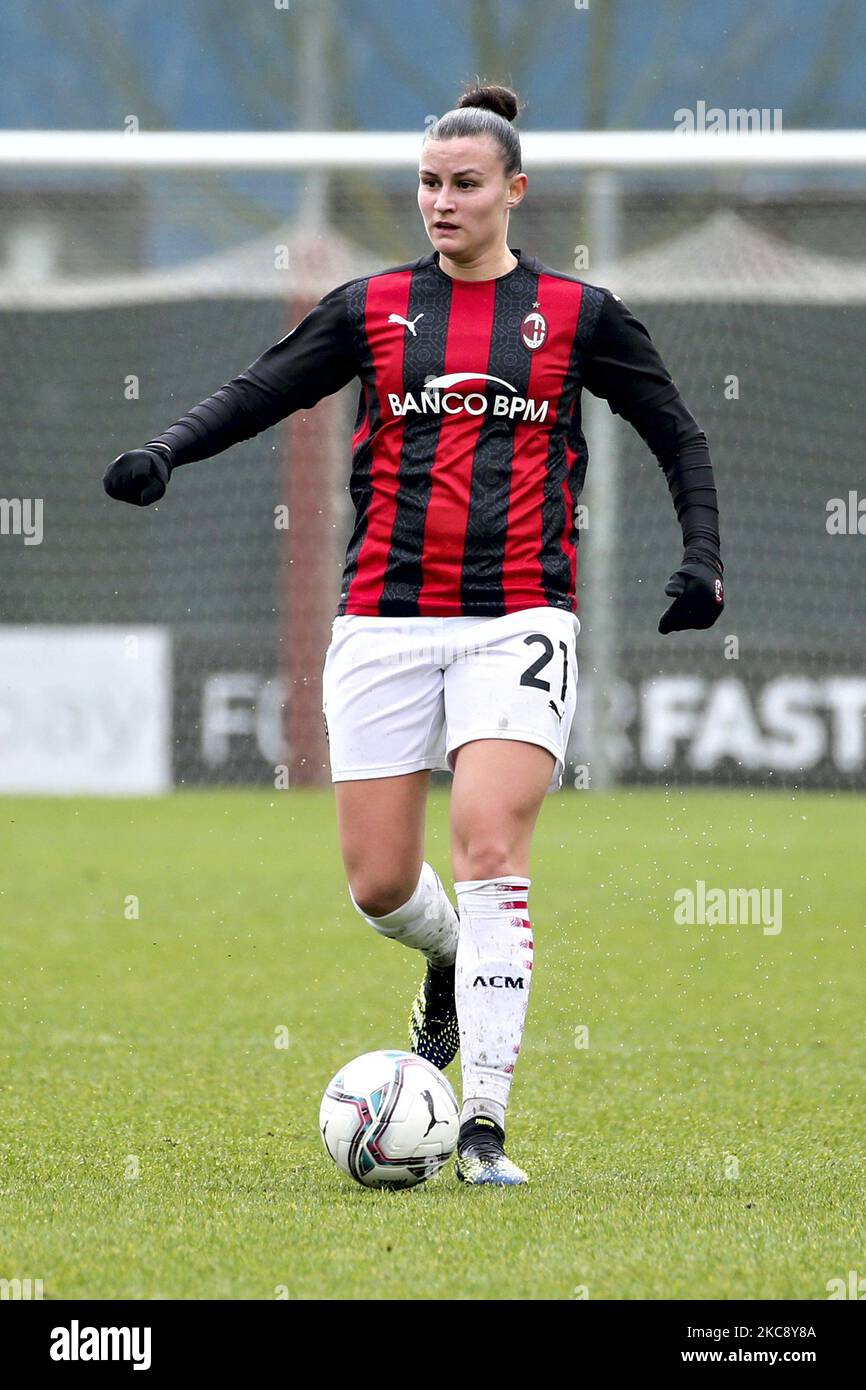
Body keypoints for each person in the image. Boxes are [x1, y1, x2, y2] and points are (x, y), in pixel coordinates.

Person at [103, 82, 724, 1187]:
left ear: (512, 191)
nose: (441, 201)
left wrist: (701, 555)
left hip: (519, 615)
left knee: (489, 845)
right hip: (384, 619)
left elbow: (675, 431)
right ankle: (442, 959)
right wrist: (164, 450)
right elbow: (259, 391)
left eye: (463, 184)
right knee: (380, 883)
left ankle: (482, 1123)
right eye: (429, 183)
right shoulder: (371, 306)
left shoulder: (579, 315)